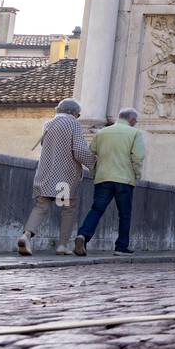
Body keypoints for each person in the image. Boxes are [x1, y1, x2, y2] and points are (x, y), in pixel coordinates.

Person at [17, 98, 95, 256]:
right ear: (74, 113)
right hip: (64, 179)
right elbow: (79, 150)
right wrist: (93, 163)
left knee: (41, 206)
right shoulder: (73, 123)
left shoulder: (48, 124)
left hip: (44, 175)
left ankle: (26, 236)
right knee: (67, 208)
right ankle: (62, 245)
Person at [74, 107, 145, 256]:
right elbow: (138, 157)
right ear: (131, 120)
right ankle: (121, 247)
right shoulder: (135, 133)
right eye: (135, 120)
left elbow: (91, 153)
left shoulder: (102, 133)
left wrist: (94, 172)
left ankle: (83, 235)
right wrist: (137, 175)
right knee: (124, 214)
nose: (135, 122)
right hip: (124, 179)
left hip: (103, 178)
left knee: (96, 210)